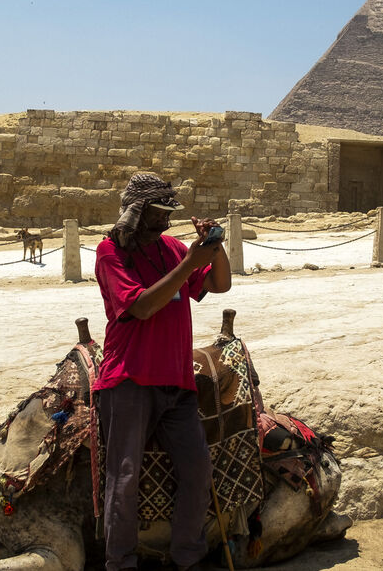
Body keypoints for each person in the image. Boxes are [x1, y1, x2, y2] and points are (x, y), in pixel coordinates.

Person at [93, 173, 232, 571]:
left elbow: (219, 285)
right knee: (124, 478)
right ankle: (120, 562)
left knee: (197, 469)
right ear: (136, 214)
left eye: (169, 214)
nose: (166, 223)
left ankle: (188, 557)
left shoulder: (171, 248)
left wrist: (213, 248)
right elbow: (140, 307)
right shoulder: (109, 253)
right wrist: (191, 261)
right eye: (158, 214)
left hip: (177, 383)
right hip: (130, 381)